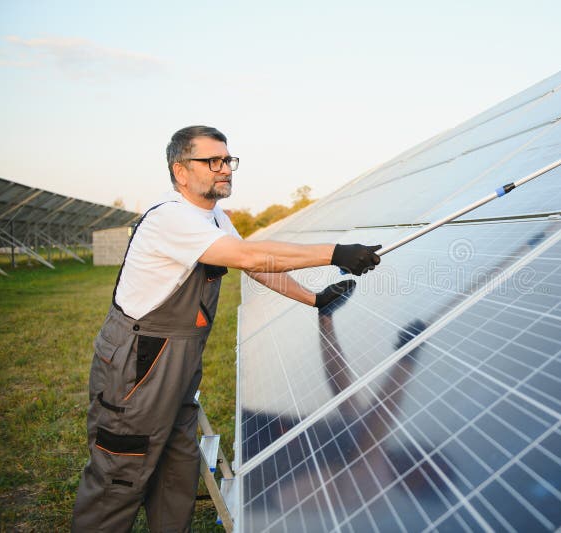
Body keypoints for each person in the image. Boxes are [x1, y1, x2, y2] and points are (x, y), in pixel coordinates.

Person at [71, 125, 381, 532]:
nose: (224, 169)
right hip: (140, 364)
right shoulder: (171, 218)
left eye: (227, 160)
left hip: (178, 362)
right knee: (121, 471)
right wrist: (334, 252)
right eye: (212, 161)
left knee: (176, 470)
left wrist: (314, 299)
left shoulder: (213, 216)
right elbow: (248, 255)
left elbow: (258, 263)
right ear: (180, 171)